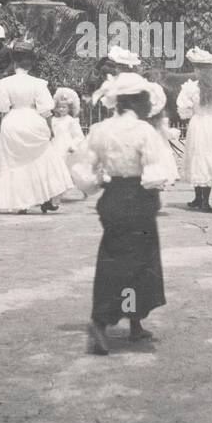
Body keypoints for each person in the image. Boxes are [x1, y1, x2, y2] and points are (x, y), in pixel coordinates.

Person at [69, 72, 172, 355]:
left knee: (113, 260)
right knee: (141, 261)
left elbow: (86, 170)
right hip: (138, 197)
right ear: (137, 102)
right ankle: (114, 322)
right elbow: (154, 172)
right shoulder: (143, 131)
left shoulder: (100, 130)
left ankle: (122, 323)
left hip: (113, 197)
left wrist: (100, 181)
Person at [0, 41, 73, 213]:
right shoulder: (38, 83)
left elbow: (0, 106)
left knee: (15, 164)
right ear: (31, 63)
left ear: (13, 62)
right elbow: (46, 109)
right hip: (33, 121)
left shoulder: (5, 83)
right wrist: (50, 130)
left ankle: (21, 202)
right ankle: (46, 198)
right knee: (44, 160)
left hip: (13, 122)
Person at [176, 47, 212, 212]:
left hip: (198, 123)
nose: (195, 72)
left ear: (201, 71)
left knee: (199, 158)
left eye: (197, 69)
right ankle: (202, 199)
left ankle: (201, 199)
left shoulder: (191, 88)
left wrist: (193, 110)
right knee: (209, 158)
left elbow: (183, 110)